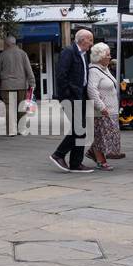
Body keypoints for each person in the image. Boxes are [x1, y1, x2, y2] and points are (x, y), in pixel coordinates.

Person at [49, 28, 94, 173]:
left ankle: (76, 163)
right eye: (90, 40)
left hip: (80, 96)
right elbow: (61, 75)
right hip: (70, 97)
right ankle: (58, 154)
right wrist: (67, 95)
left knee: (81, 130)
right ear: (82, 40)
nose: (92, 43)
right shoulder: (69, 52)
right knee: (79, 129)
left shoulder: (84, 54)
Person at [0, 35, 35, 137]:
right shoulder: (23, 54)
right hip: (21, 85)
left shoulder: (2, 55)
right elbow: (28, 69)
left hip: (7, 86)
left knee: (10, 107)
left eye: (4, 44)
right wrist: (32, 83)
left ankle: (12, 131)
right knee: (21, 107)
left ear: (7, 44)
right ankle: (21, 129)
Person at [86, 42, 122, 169]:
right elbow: (91, 90)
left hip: (111, 108)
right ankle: (101, 160)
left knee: (108, 134)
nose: (110, 57)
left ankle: (93, 152)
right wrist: (101, 106)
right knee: (102, 136)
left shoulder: (104, 69)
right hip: (102, 110)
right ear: (100, 56)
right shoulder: (94, 70)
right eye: (107, 55)